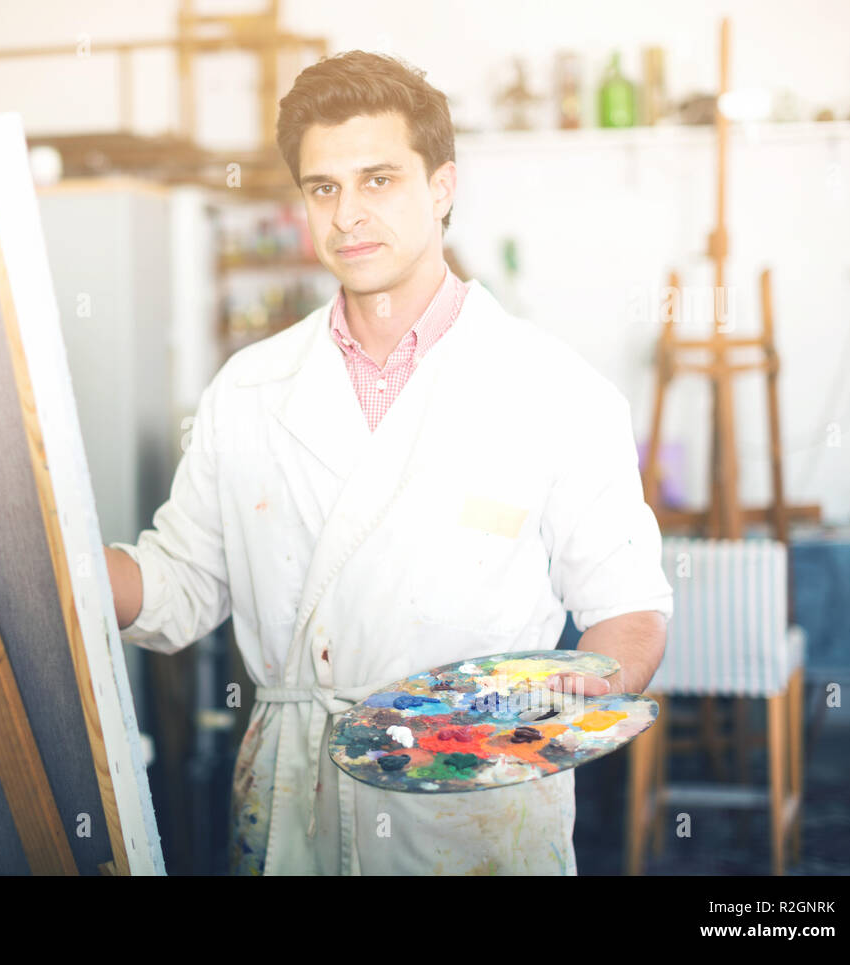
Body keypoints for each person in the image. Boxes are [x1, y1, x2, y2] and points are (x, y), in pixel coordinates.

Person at [103, 50, 672, 875]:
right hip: (293, 795)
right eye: (323, 188)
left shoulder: (553, 388)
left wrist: (580, 693)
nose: (347, 217)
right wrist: (67, 570)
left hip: (473, 796)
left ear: (442, 187)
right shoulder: (249, 388)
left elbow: (628, 606)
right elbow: (183, 583)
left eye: (379, 180)